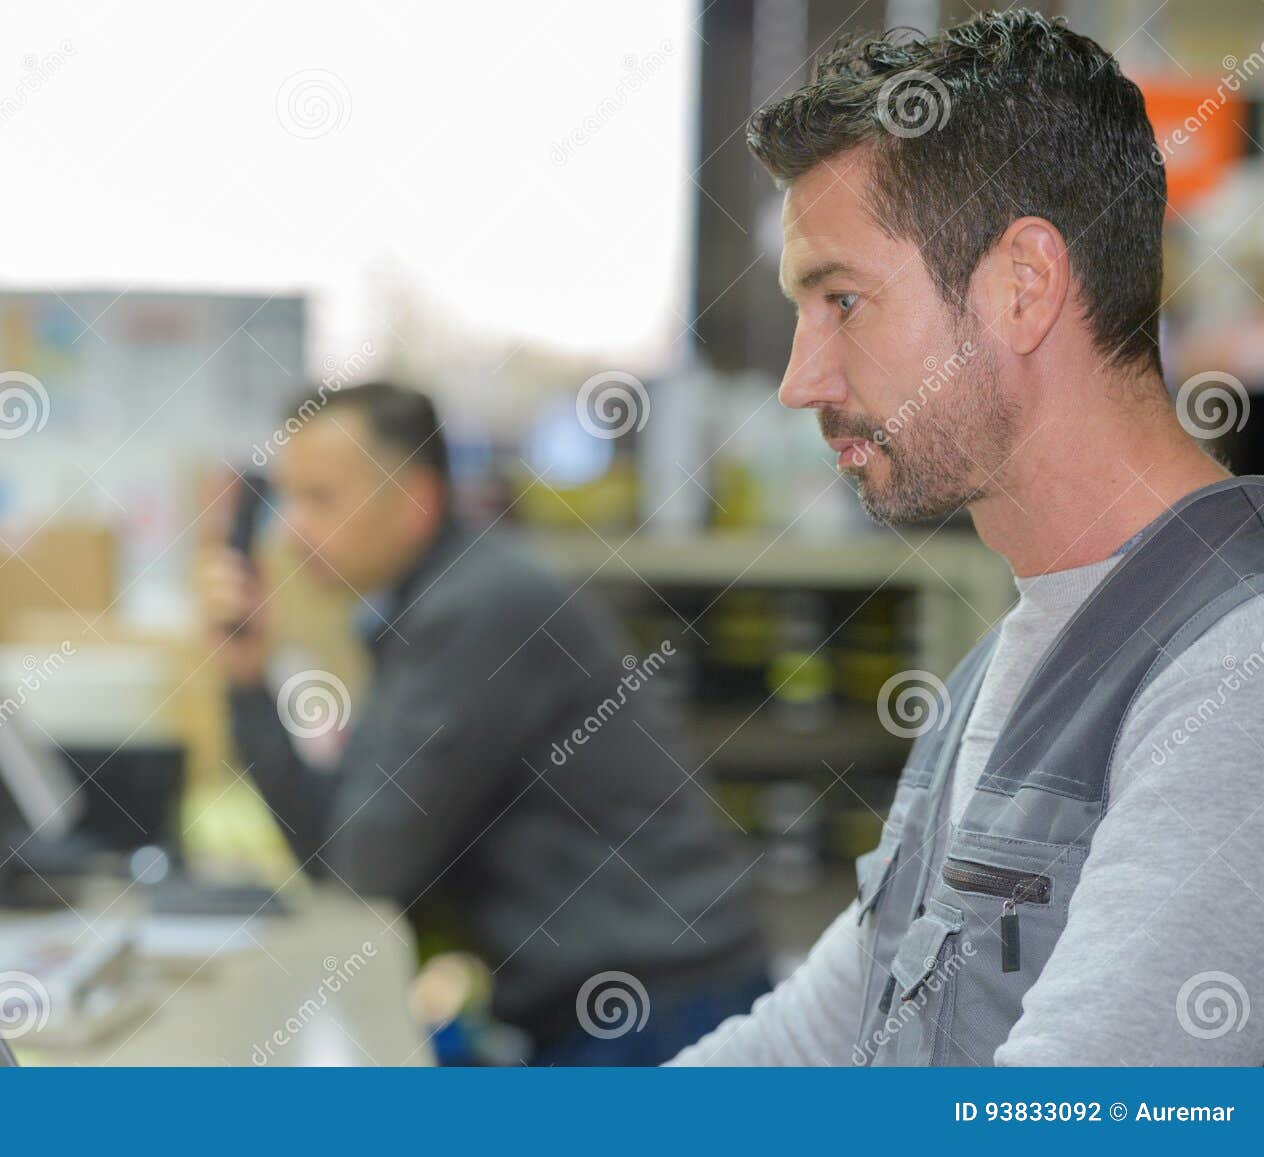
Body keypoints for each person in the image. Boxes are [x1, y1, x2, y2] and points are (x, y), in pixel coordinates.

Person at [673, 9, 1264, 1066]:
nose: (799, 380)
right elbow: (824, 1035)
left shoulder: (1234, 676)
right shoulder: (1012, 653)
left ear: (1022, 286)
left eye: (841, 299)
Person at [200, 382, 767, 1064]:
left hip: (654, 1013)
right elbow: (340, 850)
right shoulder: (426, 606)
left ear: (413, 502)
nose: (291, 530)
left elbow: (362, 863)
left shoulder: (477, 610)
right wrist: (245, 677)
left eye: (320, 498)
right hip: (606, 1002)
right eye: (287, 498)